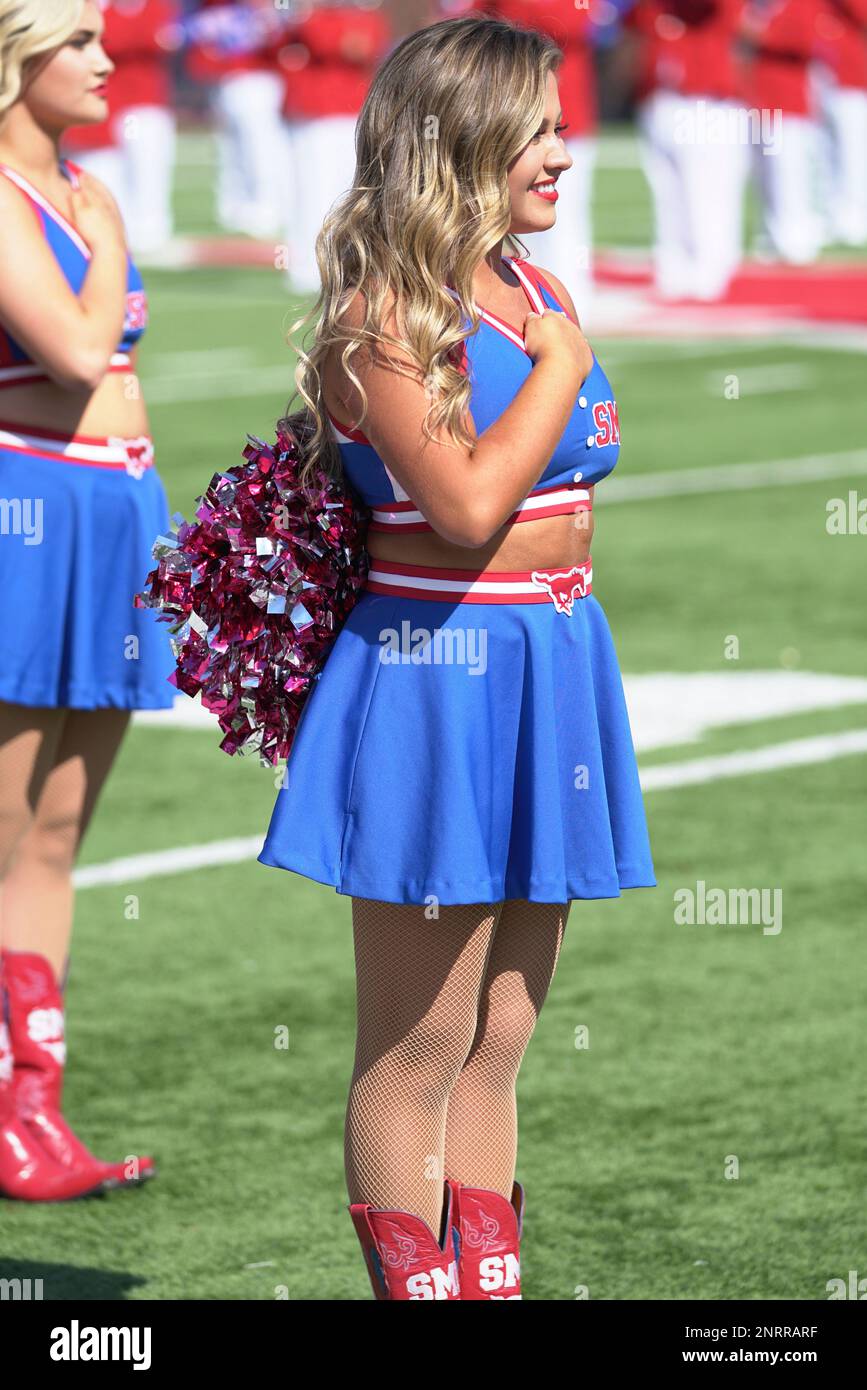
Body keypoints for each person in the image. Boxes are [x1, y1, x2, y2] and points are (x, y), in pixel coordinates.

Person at [256, 14, 656, 1299]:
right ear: (459, 143)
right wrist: (568, 368)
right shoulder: (385, 315)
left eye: (560, 123)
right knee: (419, 1041)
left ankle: (490, 1284)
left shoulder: (536, 289)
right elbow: (470, 506)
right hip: (439, 676)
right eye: (535, 128)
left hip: (551, 663)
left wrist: (556, 346)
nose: (563, 150)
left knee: (504, 1031)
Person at [0, 0, 174, 1200]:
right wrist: (106, 229)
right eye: (81, 43)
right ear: (16, 59)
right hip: (28, 516)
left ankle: (33, 1115)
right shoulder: (29, 200)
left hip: (115, 515)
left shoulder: (80, 187)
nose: (109, 61)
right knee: (3, 830)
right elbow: (72, 347)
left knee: (59, 833)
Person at [624, 0, 749, 300]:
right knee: (666, 191)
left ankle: (711, 268)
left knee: (707, 192)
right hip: (662, 99)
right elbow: (628, 22)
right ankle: (673, 267)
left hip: (707, 103)